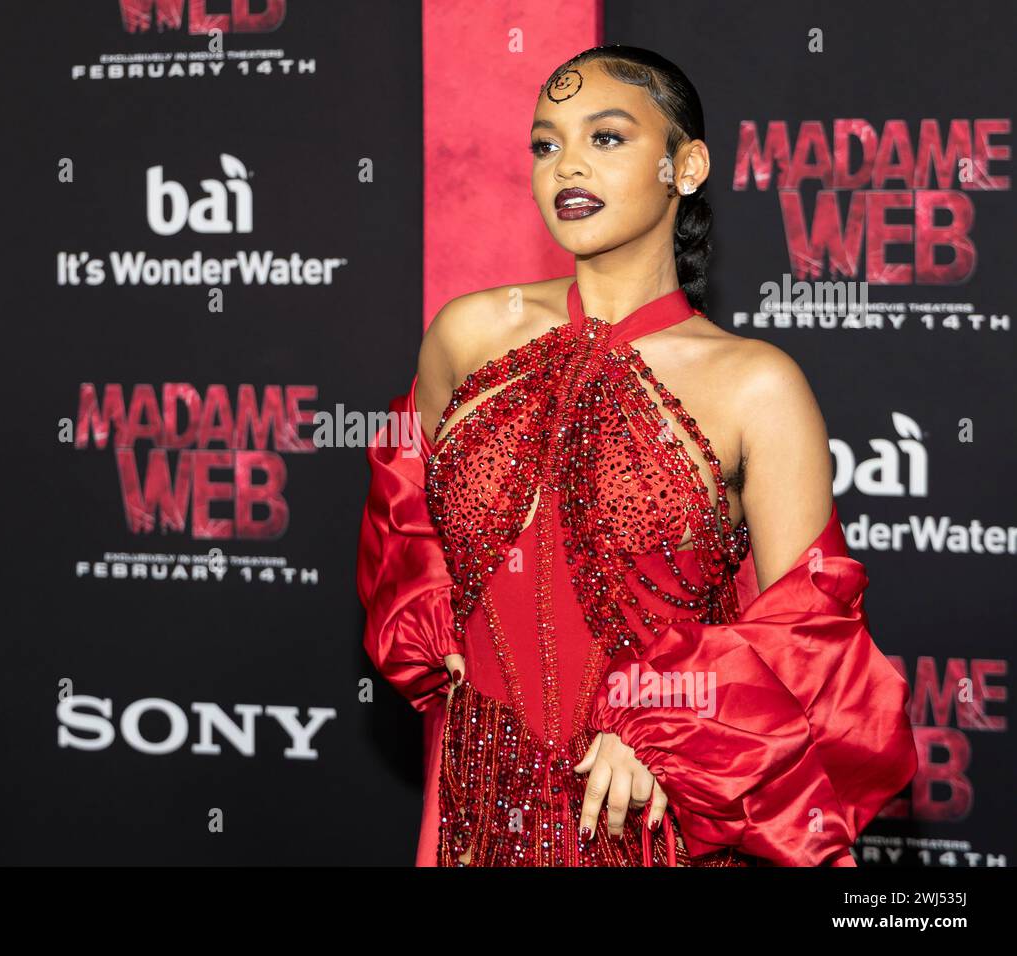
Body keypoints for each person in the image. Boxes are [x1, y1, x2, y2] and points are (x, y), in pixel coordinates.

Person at [357, 45, 916, 867]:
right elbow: (404, 497)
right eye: (545, 144)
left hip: (649, 821)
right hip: (476, 802)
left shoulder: (757, 385)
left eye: (607, 137)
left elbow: (813, 632)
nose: (567, 164)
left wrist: (672, 725)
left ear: (685, 165)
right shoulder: (465, 333)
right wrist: (424, 611)